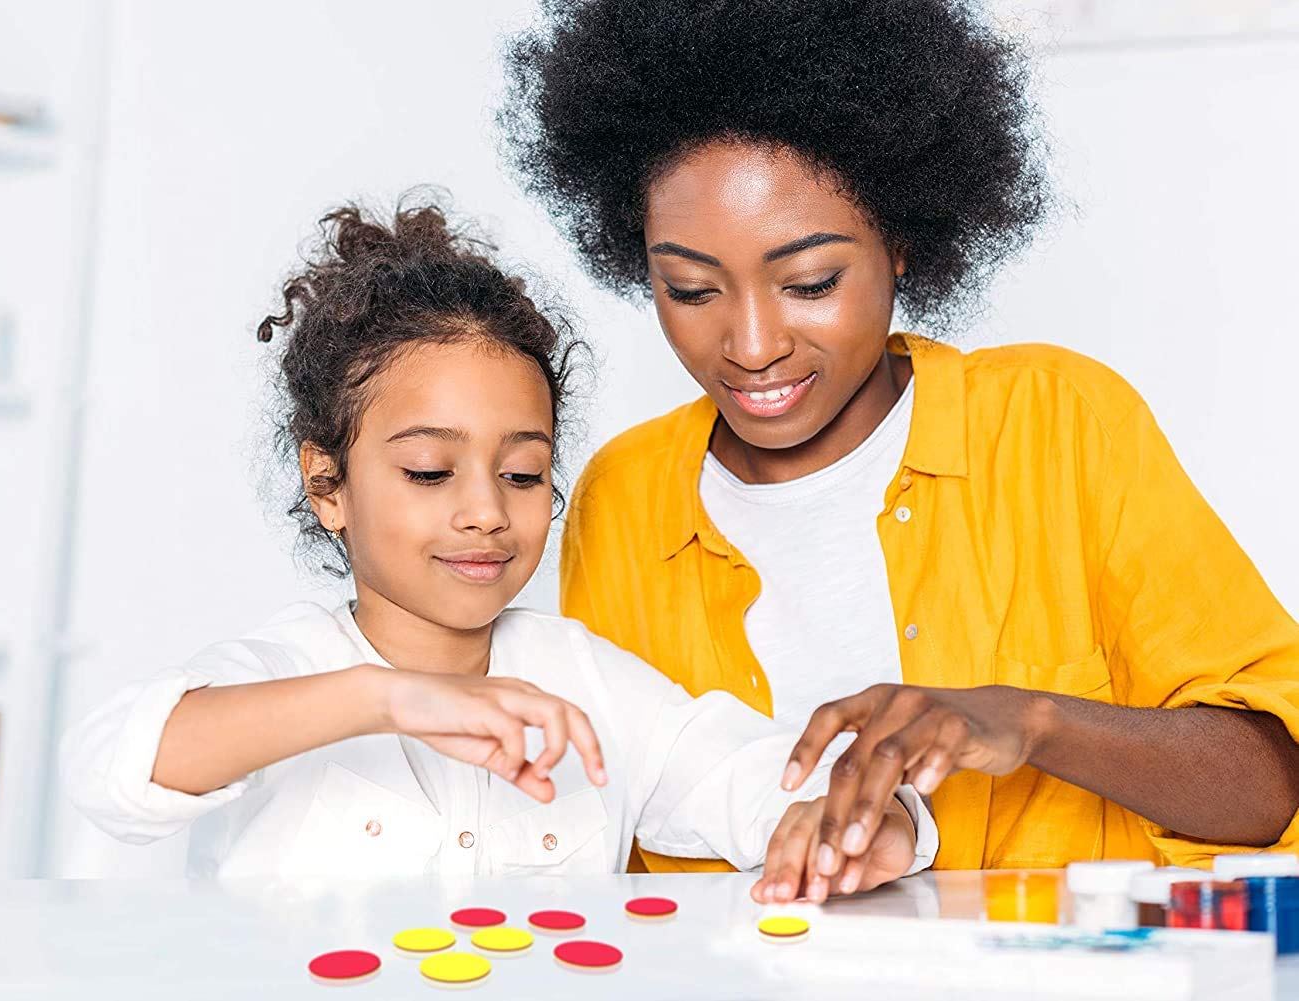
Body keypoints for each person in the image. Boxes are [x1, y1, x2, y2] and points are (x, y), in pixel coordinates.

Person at [500, 0, 1299, 899]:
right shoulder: (625, 495)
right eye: (690, 289)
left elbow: (1270, 785)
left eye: (811, 281)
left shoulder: (1057, 421)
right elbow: (616, 827)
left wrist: (1029, 721)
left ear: (904, 239)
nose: (751, 343)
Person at [59, 200, 936, 901]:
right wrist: (387, 698)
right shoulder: (288, 668)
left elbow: (750, 776)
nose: (485, 511)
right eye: (431, 471)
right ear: (329, 485)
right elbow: (115, 769)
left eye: (522, 474)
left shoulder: (584, 680)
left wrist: (874, 818)